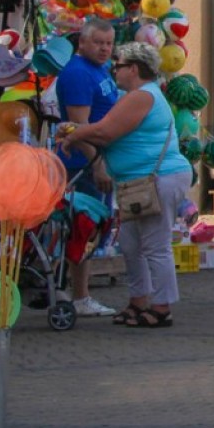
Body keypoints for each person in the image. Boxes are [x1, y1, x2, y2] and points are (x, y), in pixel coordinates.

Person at [64, 42, 190, 330]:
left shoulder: (142, 96)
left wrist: (74, 132)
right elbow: (102, 130)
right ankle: (139, 300)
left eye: (118, 66)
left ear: (133, 68)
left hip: (158, 178)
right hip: (137, 182)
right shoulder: (135, 96)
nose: (114, 70)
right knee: (131, 244)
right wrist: (76, 131)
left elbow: (105, 132)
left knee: (155, 245)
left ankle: (161, 308)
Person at [53, 20, 121, 317]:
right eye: (98, 43)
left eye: (108, 43)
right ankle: (79, 296)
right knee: (82, 229)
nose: (105, 48)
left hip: (98, 162)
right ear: (82, 42)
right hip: (82, 167)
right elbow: (77, 128)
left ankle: (75, 292)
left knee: (89, 230)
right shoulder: (78, 73)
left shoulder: (100, 69)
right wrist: (97, 164)